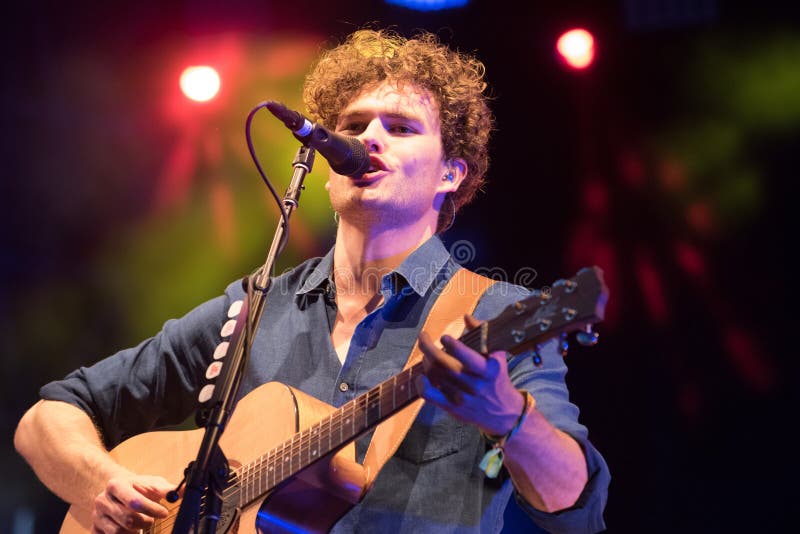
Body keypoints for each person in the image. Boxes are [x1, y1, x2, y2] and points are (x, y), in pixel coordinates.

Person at [14, 29, 609, 533]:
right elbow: (50, 415)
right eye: (353, 124)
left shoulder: (496, 312)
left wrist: (509, 416)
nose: (369, 137)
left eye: (401, 127)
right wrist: (106, 483)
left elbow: (577, 506)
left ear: (451, 174)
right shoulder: (252, 308)